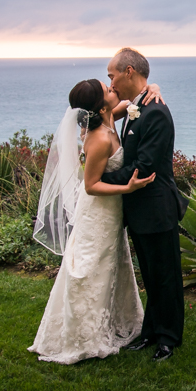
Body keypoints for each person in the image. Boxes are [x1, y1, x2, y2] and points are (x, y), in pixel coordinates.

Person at [28, 78, 163, 364]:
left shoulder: (109, 117)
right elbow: (91, 185)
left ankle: (110, 322)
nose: (114, 90)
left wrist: (154, 88)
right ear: (101, 105)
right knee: (88, 268)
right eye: (109, 90)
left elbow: (134, 101)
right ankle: (82, 336)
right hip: (98, 211)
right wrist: (127, 188)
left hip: (111, 212)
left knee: (109, 265)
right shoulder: (99, 138)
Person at [101, 47, 187, 362]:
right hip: (139, 209)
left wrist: (99, 180)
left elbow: (145, 167)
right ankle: (151, 331)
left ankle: (169, 338)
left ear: (128, 71)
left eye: (112, 76)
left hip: (157, 206)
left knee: (166, 276)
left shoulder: (156, 112)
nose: (110, 85)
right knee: (150, 275)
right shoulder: (136, 106)